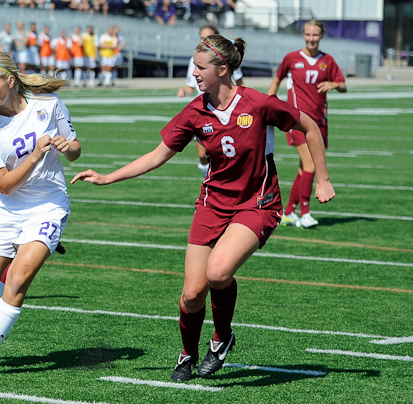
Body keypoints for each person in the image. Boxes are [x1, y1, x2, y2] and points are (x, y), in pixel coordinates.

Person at [70, 34, 335, 382]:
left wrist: (323, 179)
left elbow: (309, 126)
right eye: (193, 66)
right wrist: (108, 178)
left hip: (257, 204)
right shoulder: (195, 111)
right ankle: (187, 353)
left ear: (223, 69)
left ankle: (221, 338)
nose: (193, 73)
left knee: (218, 273)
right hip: (212, 205)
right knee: (192, 293)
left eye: (199, 67)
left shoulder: (258, 103)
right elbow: (156, 156)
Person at [0, 50, 82, 380]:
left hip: (48, 205)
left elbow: (75, 150)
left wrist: (65, 146)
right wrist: (34, 156)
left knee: (17, 279)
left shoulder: (48, 103)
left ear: (10, 81)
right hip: (8, 208)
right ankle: (9, 300)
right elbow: (4, 186)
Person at [266, 19, 346, 229]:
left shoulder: (327, 60)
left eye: (315, 35)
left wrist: (334, 84)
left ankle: (289, 213)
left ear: (321, 36)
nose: (311, 39)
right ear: (303, 35)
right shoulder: (291, 58)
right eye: (308, 35)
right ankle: (306, 213)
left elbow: (344, 86)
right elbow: (276, 81)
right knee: (311, 165)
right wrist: (267, 106)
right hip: (297, 122)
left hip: (319, 123)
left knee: (304, 169)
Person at [177, 25, 245, 178]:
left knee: (227, 154)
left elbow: (241, 85)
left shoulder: (228, 59)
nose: (203, 41)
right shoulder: (194, 60)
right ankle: (208, 181)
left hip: (227, 112)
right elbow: (190, 86)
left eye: (207, 38)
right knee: (203, 155)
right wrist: (184, 92)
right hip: (205, 112)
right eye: (201, 38)